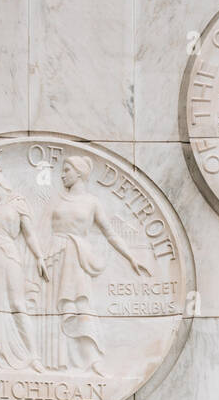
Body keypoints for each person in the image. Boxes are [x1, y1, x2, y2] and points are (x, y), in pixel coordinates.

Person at [39, 155, 150, 373]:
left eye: (67, 170)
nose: (62, 174)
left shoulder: (92, 202)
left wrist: (131, 258)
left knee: (81, 306)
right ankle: (59, 361)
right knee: (53, 308)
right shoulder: (56, 200)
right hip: (54, 256)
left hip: (77, 257)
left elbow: (110, 234)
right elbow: (39, 231)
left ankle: (91, 359)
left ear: (79, 173)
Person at [0, 169, 48, 370]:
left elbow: (29, 234)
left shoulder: (18, 203)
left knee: (17, 303)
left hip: (8, 251)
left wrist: (39, 257)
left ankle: (33, 356)